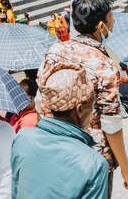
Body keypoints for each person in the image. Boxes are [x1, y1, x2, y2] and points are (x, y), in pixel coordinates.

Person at [39, 0, 128, 193]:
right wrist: (127, 171)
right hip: (92, 156)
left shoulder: (55, 50)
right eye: (111, 19)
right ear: (102, 26)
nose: (114, 22)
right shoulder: (105, 66)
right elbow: (111, 124)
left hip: (54, 146)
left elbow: (41, 98)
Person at [11, 62, 109, 199]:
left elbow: (15, 191)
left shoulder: (23, 137)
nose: (93, 113)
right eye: (92, 107)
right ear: (80, 109)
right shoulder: (94, 164)